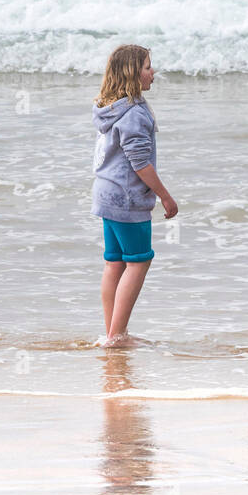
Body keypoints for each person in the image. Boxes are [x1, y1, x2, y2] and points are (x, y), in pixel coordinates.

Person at [92, 44, 178, 346]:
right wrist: (165, 197)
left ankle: (112, 331)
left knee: (114, 263)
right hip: (127, 198)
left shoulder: (110, 107)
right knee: (138, 262)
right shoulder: (135, 115)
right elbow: (140, 163)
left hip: (105, 193)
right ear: (131, 73)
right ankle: (117, 335)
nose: (152, 72)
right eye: (146, 67)